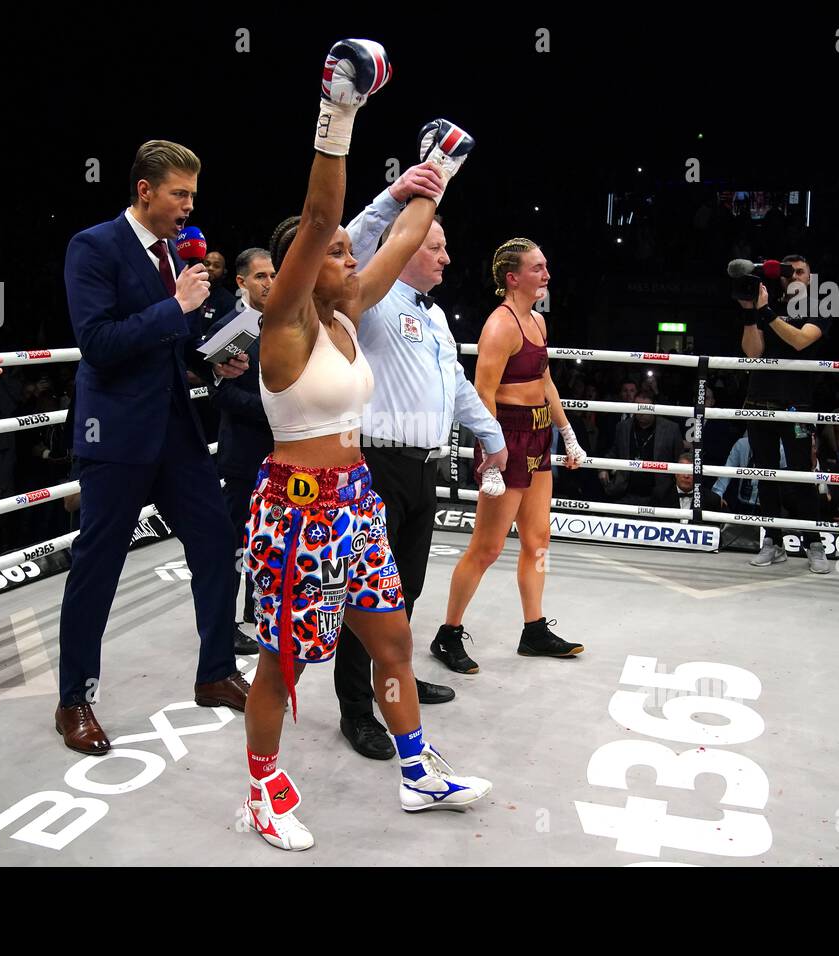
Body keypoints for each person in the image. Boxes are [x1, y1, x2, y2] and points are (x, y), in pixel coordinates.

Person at [239, 39, 490, 851]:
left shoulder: (348, 315)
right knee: (286, 663)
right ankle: (261, 790)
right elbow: (318, 219)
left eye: (353, 252)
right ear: (299, 269)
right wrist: (339, 111)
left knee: (393, 638)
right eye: (338, 253)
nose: (352, 257)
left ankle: (418, 774)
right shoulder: (282, 326)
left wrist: (436, 173)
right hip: (296, 511)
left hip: (357, 502)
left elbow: (408, 231)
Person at [56, 139, 252, 757]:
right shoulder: (93, 247)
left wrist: (214, 362)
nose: (189, 207)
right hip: (114, 435)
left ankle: (216, 671)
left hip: (176, 432)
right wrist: (176, 307)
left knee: (218, 542)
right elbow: (99, 342)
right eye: (179, 194)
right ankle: (73, 700)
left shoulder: (175, 254)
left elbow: (175, 340)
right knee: (99, 565)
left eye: (193, 195)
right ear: (145, 191)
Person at [331, 165, 507, 759]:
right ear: (402, 249)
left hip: (421, 468)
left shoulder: (432, 315)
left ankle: (394, 684)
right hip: (375, 464)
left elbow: (456, 385)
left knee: (404, 591)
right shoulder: (370, 302)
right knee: (367, 598)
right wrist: (395, 198)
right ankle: (356, 708)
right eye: (436, 246)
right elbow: (342, 252)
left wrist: (491, 435)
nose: (446, 257)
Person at [432, 236, 588, 674]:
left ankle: (533, 628)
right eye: (538, 268)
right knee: (487, 547)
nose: (547, 274)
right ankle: (448, 633)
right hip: (506, 436)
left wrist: (567, 432)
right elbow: (482, 393)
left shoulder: (537, 322)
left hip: (539, 435)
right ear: (512, 277)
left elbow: (546, 381)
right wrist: (490, 454)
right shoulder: (499, 326)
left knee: (539, 541)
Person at [738, 254, 832, 573]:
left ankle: (814, 542)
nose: (794, 276)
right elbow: (753, 352)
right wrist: (752, 315)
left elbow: (801, 341)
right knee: (765, 473)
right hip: (759, 400)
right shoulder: (767, 305)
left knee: (800, 474)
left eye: (800, 272)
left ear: (809, 277)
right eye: (788, 272)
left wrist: (765, 311)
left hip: (796, 404)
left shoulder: (819, 306)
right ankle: (772, 541)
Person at [206, 247, 277, 655]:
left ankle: (260, 611)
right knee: (234, 542)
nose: (269, 283)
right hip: (243, 454)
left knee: (274, 539)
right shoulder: (233, 327)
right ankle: (225, 624)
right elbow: (220, 392)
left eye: (273, 275)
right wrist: (272, 409)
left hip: (282, 454)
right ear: (242, 283)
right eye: (260, 276)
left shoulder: (289, 322)